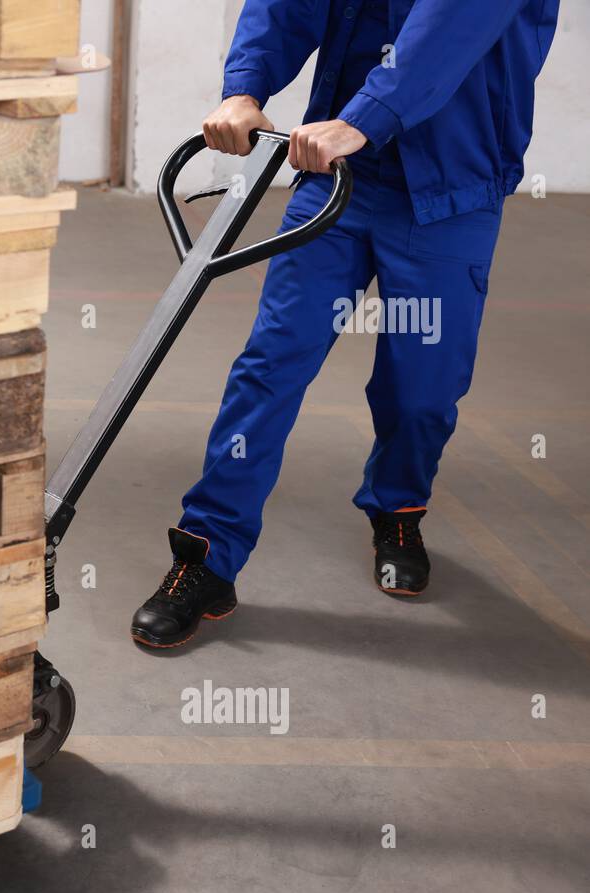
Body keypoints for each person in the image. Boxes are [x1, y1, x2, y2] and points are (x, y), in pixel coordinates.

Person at [130, 0, 561, 651]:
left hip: (450, 187)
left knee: (422, 391)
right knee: (270, 365)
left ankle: (398, 510)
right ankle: (207, 558)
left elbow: (449, 28)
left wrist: (362, 120)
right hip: (338, 177)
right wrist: (246, 88)